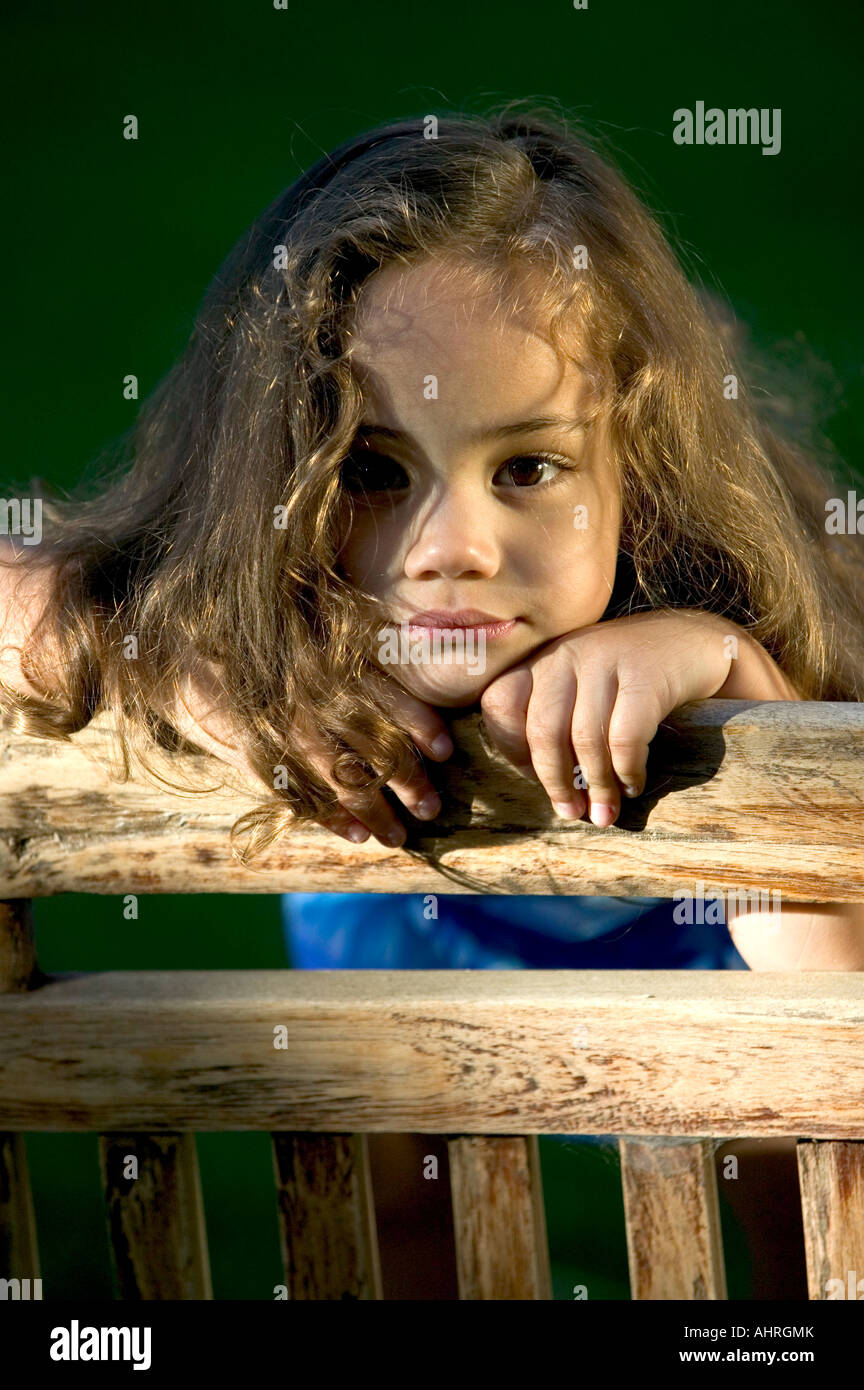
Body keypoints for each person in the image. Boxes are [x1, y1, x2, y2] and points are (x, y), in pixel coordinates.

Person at [2, 105, 862, 1298]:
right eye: (370, 468)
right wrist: (207, 670)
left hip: (710, 969)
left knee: (793, 1191)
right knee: (402, 1216)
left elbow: (843, 1054)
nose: (452, 546)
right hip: (394, 953)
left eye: (526, 468)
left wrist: (739, 678)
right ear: (277, 469)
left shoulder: (727, 605)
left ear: (640, 482)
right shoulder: (286, 619)